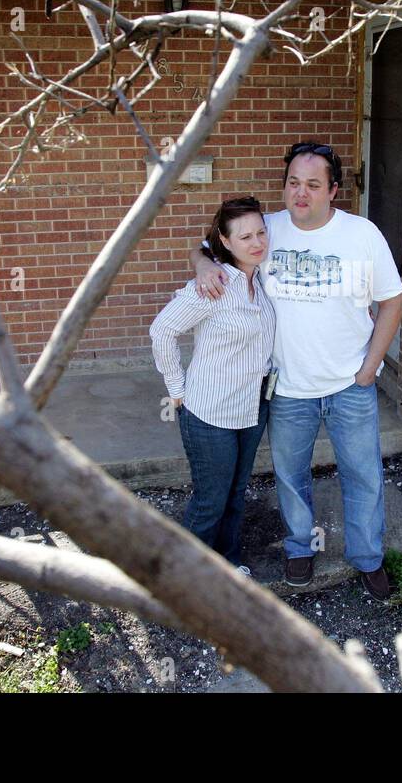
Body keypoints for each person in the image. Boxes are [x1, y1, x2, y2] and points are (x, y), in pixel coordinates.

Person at [193, 143, 402, 600]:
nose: (300, 193)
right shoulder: (265, 230)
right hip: (287, 387)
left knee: (363, 474)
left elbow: (391, 301)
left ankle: (367, 558)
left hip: (351, 383)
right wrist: (202, 264)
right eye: (293, 183)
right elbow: (210, 244)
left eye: (312, 184)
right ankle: (299, 549)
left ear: (333, 189)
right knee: (291, 476)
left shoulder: (362, 234)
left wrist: (370, 369)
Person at [151, 196, 275, 575]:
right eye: (244, 237)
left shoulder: (264, 277)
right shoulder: (214, 285)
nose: (256, 242)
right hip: (209, 413)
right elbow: (162, 330)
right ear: (225, 241)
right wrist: (177, 390)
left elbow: (200, 248)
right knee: (210, 501)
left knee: (236, 493)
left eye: (260, 232)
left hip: (254, 407)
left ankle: (228, 562)